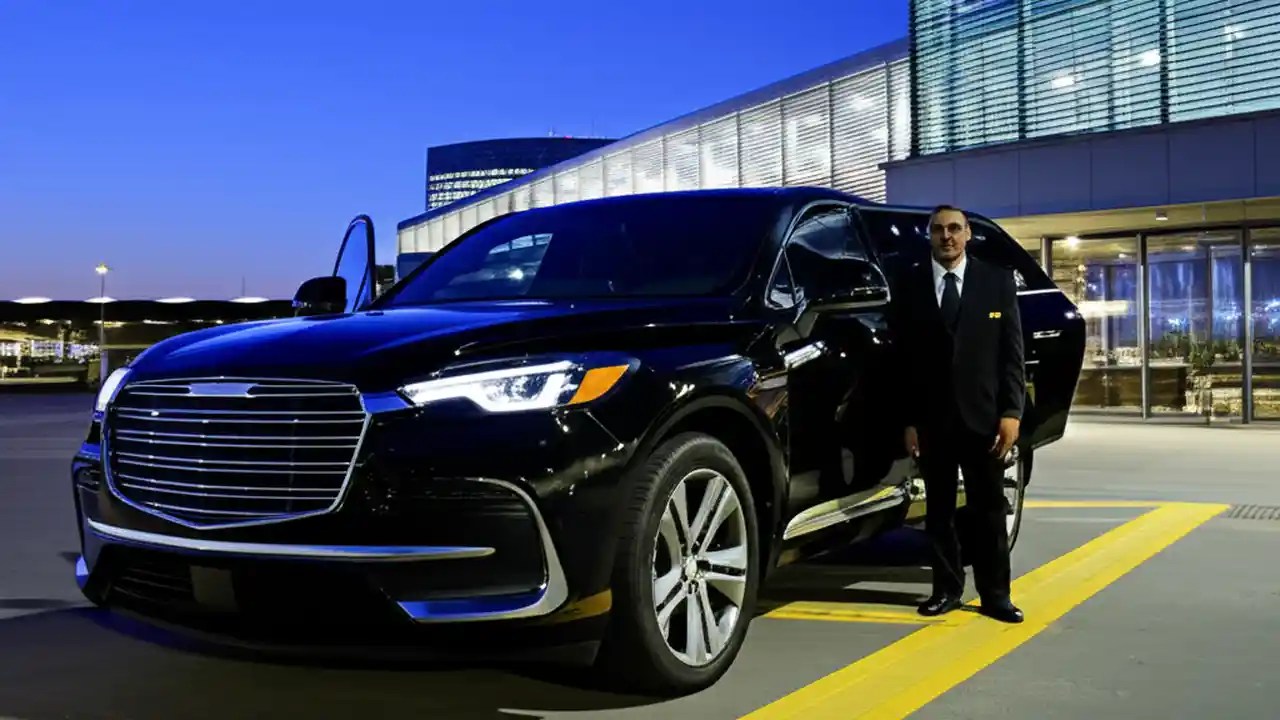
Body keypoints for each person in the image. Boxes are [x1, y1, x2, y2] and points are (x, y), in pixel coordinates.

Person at [893, 204, 1026, 624]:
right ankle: (946, 589)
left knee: (988, 510)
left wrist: (1011, 412)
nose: (946, 236)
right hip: (932, 421)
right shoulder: (910, 284)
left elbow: (1012, 355)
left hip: (984, 418)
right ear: (929, 236)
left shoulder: (996, 282)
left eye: (954, 229)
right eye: (938, 230)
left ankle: (996, 596)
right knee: (940, 512)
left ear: (968, 234)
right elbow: (904, 362)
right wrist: (909, 421)